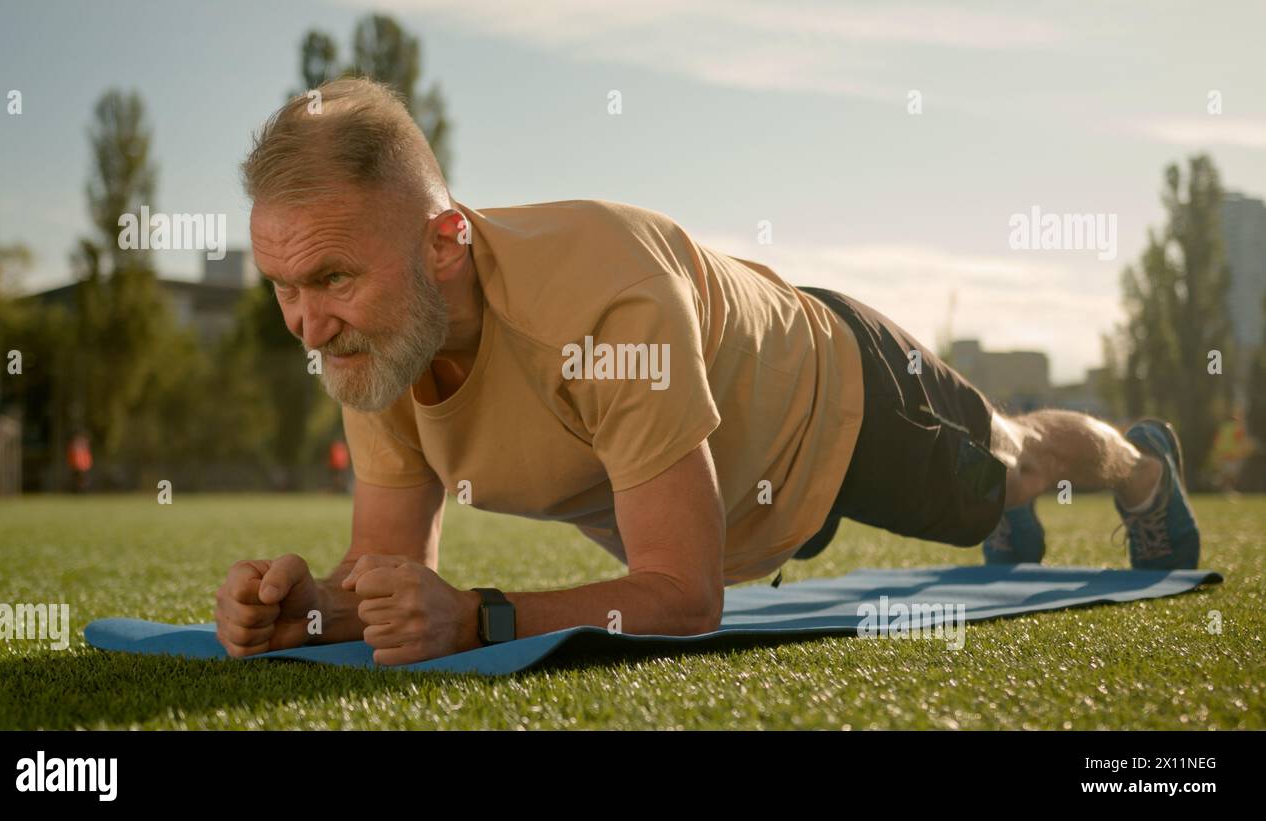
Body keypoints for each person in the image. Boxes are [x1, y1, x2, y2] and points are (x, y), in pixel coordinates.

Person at [214, 78, 1200, 665]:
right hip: (734, 458)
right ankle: (1010, 514)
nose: (308, 321)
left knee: (1014, 460)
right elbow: (389, 577)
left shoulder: (599, 304)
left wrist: (479, 617)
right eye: (283, 286)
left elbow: (684, 595)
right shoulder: (376, 344)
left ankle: (1140, 465)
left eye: (332, 276)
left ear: (442, 242)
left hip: (836, 397)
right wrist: (302, 607)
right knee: (994, 503)